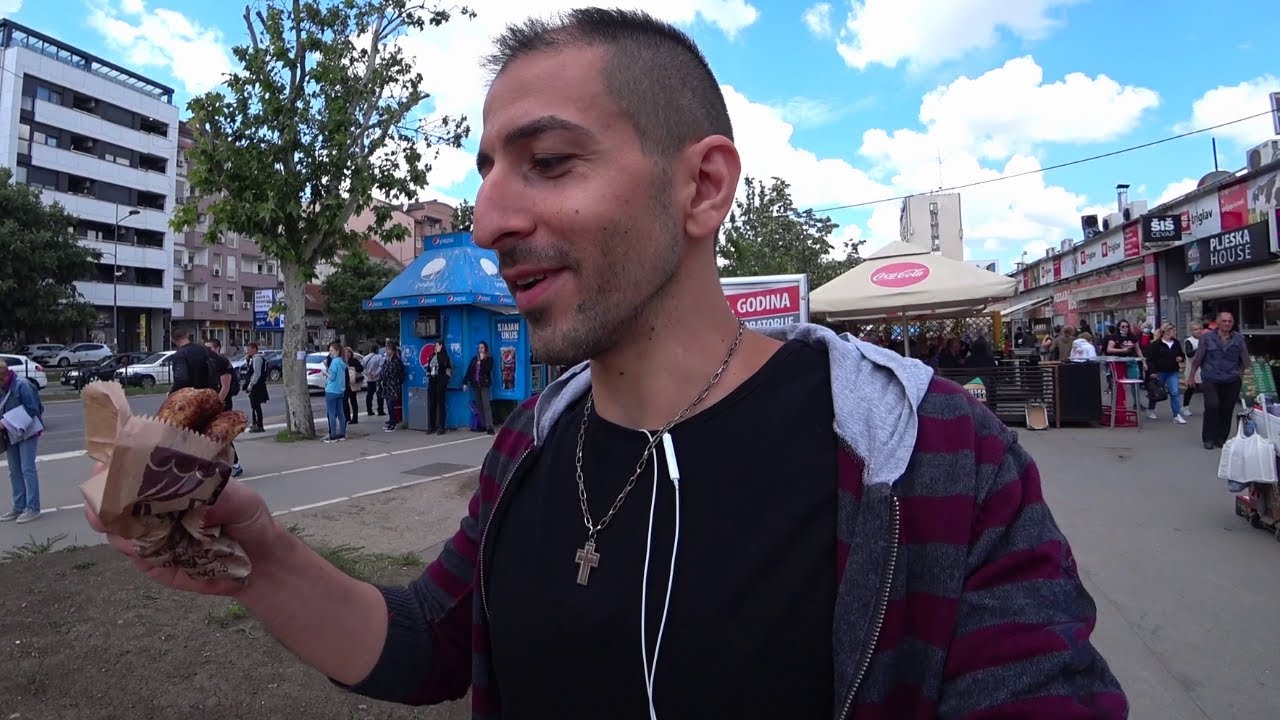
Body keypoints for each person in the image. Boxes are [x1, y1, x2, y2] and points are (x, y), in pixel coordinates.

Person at [85, 9, 1125, 718]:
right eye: (486, 171)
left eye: (547, 162)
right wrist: (261, 556)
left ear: (702, 188)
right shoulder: (531, 446)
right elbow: (426, 642)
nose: (491, 217)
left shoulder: (922, 454)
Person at [1188, 309, 1251, 450]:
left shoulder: (1239, 339)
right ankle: (1208, 438)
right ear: (1217, 322)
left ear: (1233, 323)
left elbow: (1245, 362)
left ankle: (1221, 438)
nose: (1227, 323)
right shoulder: (1207, 338)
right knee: (1212, 406)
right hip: (1211, 378)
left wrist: (1239, 377)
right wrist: (1192, 376)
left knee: (1227, 409)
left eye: (1230, 321)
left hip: (1231, 379)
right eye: (1224, 321)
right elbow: (1198, 359)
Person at [0, 359, 43, 524]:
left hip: (27, 432)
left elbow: (33, 409)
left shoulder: (22, 385)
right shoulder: (2, 388)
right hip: (11, 433)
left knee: (27, 469)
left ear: (4, 375)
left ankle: (33, 507)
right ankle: (19, 506)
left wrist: (5, 422)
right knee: (14, 470)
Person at [204, 338, 244, 478]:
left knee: (222, 435)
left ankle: (235, 464)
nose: (207, 351)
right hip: (214, 402)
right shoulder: (210, 363)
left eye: (210, 348)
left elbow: (225, 387)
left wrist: (216, 404)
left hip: (223, 404)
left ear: (217, 349)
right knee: (212, 435)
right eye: (206, 348)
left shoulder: (222, 363)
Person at [1143, 322, 1186, 424]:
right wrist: (1152, 371)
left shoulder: (1176, 343)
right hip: (1159, 371)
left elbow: (1181, 354)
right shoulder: (1156, 345)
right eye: (1173, 330)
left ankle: (1177, 415)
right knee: (1156, 391)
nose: (1175, 332)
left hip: (1172, 371)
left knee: (1174, 392)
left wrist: (1181, 358)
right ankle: (1151, 409)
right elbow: (1150, 359)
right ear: (1166, 331)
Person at [462, 341, 496, 435]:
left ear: (485, 349)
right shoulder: (474, 359)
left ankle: (490, 427)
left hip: (484, 385)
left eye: (482, 347)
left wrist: (483, 360)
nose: (480, 349)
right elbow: (469, 371)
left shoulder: (489, 359)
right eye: (479, 348)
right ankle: (483, 425)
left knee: (486, 406)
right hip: (476, 385)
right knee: (479, 406)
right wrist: (465, 382)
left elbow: (488, 369)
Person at [321, 341, 348, 443]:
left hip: (331, 391)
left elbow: (332, 377)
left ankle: (333, 435)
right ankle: (342, 433)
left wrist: (325, 373)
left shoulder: (334, 362)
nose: (330, 352)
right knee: (341, 413)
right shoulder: (342, 362)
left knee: (332, 414)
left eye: (331, 350)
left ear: (337, 351)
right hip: (340, 390)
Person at [425, 340, 452, 435]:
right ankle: (431, 426)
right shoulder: (432, 356)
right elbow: (428, 367)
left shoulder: (444, 357)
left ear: (441, 346)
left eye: (437, 345)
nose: (436, 347)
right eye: (435, 345)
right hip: (432, 382)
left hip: (440, 382)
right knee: (432, 404)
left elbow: (448, 369)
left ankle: (441, 426)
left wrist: (445, 380)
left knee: (441, 404)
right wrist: (428, 375)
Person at [242, 342, 269, 433]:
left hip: (257, 385)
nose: (247, 351)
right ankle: (255, 423)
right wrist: (248, 361)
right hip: (257, 385)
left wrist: (250, 385)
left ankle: (259, 425)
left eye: (248, 349)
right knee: (253, 405)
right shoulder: (253, 359)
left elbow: (256, 373)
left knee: (256, 405)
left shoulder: (257, 359)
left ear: (254, 349)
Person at [380, 340, 405, 433]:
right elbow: (383, 371)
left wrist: (386, 374)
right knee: (388, 405)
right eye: (386, 349)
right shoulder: (387, 360)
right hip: (387, 385)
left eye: (389, 350)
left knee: (392, 404)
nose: (387, 351)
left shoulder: (396, 361)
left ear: (393, 351)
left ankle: (393, 423)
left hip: (393, 385)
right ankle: (390, 421)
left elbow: (392, 372)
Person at [1182, 321, 1203, 416]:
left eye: (1199, 329)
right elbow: (1189, 354)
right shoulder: (1189, 341)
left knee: (1206, 388)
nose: (1198, 331)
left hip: (1203, 368)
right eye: (1196, 329)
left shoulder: (1204, 339)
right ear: (1191, 331)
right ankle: (1185, 407)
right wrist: (1198, 349)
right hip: (1192, 368)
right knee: (1191, 388)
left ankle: (1208, 408)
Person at [363, 342, 386, 417]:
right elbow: (381, 367)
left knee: (369, 395)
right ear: (376, 350)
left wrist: (368, 374)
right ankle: (380, 410)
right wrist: (375, 374)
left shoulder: (365, 358)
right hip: (377, 379)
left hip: (369, 379)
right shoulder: (379, 357)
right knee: (379, 395)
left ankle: (369, 410)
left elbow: (362, 368)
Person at [343, 346, 364, 424]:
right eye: (345, 353)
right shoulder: (342, 361)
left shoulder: (354, 361)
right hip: (345, 384)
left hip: (352, 383)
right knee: (344, 401)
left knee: (353, 401)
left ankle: (355, 418)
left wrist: (353, 368)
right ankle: (347, 417)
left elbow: (361, 368)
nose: (347, 354)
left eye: (348, 353)